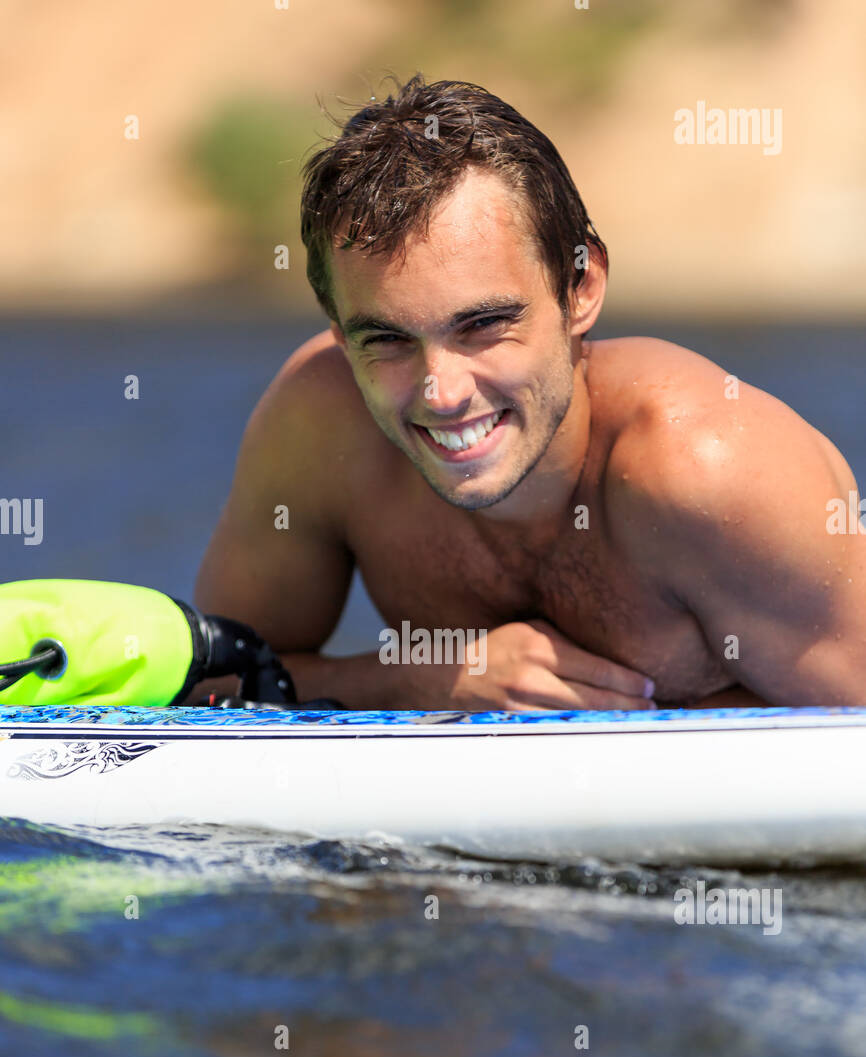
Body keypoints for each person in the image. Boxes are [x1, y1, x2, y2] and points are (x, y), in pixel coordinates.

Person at [194, 75, 864, 712]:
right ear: (339, 333)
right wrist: (424, 679)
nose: (444, 393)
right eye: (387, 340)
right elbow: (213, 687)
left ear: (581, 289)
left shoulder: (707, 472)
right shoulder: (320, 427)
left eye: (483, 324)